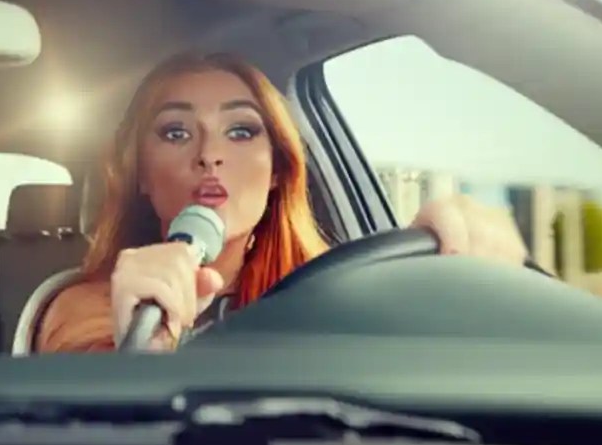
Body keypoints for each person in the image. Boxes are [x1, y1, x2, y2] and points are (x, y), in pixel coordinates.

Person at [37, 52, 531, 353]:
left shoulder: (335, 295)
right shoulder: (82, 305)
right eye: (176, 132)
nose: (210, 155)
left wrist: (449, 279)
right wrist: (142, 349)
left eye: (240, 131)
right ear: (141, 174)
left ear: (277, 170)